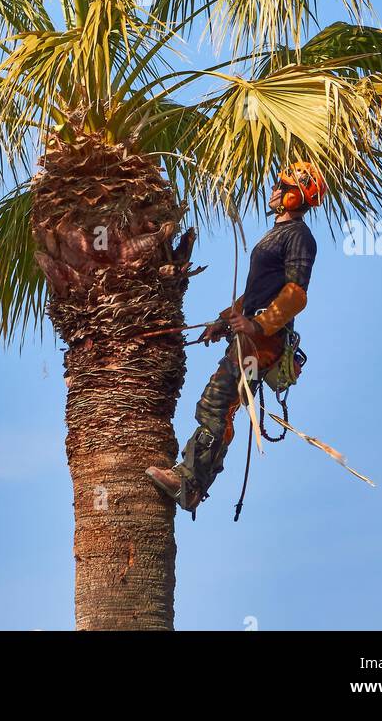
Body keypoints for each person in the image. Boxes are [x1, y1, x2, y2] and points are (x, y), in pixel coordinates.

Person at [146, 162, 326, 511]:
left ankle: (190, 481)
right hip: (251, 336)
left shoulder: (299, 236)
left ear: (297, 197)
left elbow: (295, 295)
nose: (274, 190)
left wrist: (258, 326)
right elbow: (254, 294)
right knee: (218, 401)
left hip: (265, 341)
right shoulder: (274, 235)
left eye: (282, 186)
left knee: (218, 402)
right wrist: (223, 321)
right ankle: (192, 481)